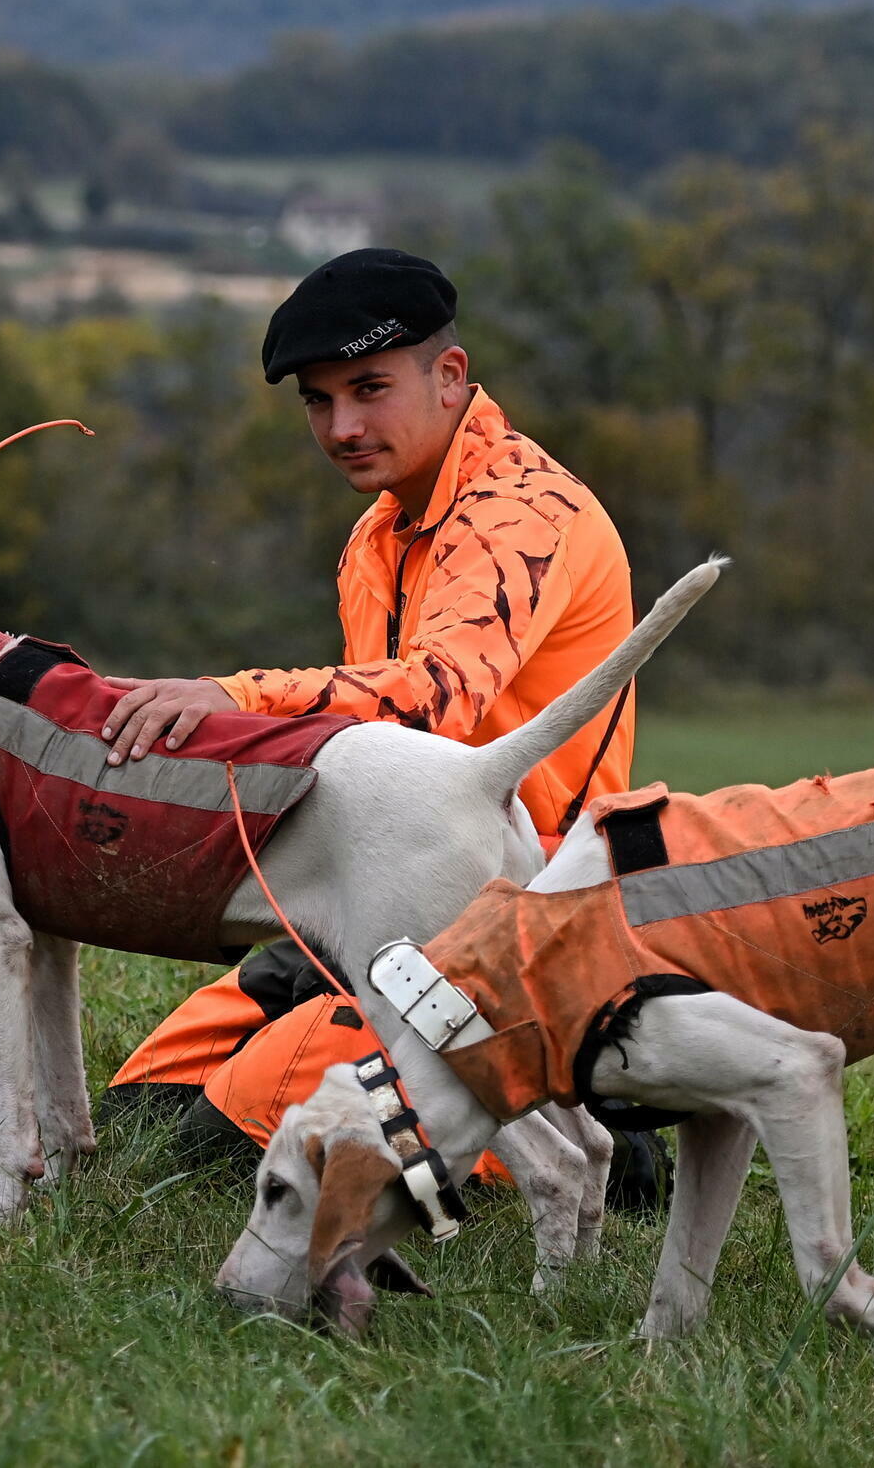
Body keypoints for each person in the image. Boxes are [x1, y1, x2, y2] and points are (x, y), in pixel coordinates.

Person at [97, 248, 664, 1204]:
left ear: (450, 379)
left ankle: (598, 1116)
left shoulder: (526, 511)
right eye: (318, 401)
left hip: (520, 910)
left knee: (219, 1140)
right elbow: (368, 755)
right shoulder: (377, 532)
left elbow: (432, 694)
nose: (343, 426)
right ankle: (510, 1096)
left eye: (369, 388)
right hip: (378, 891)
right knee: (143, 1102)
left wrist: (235, 696)